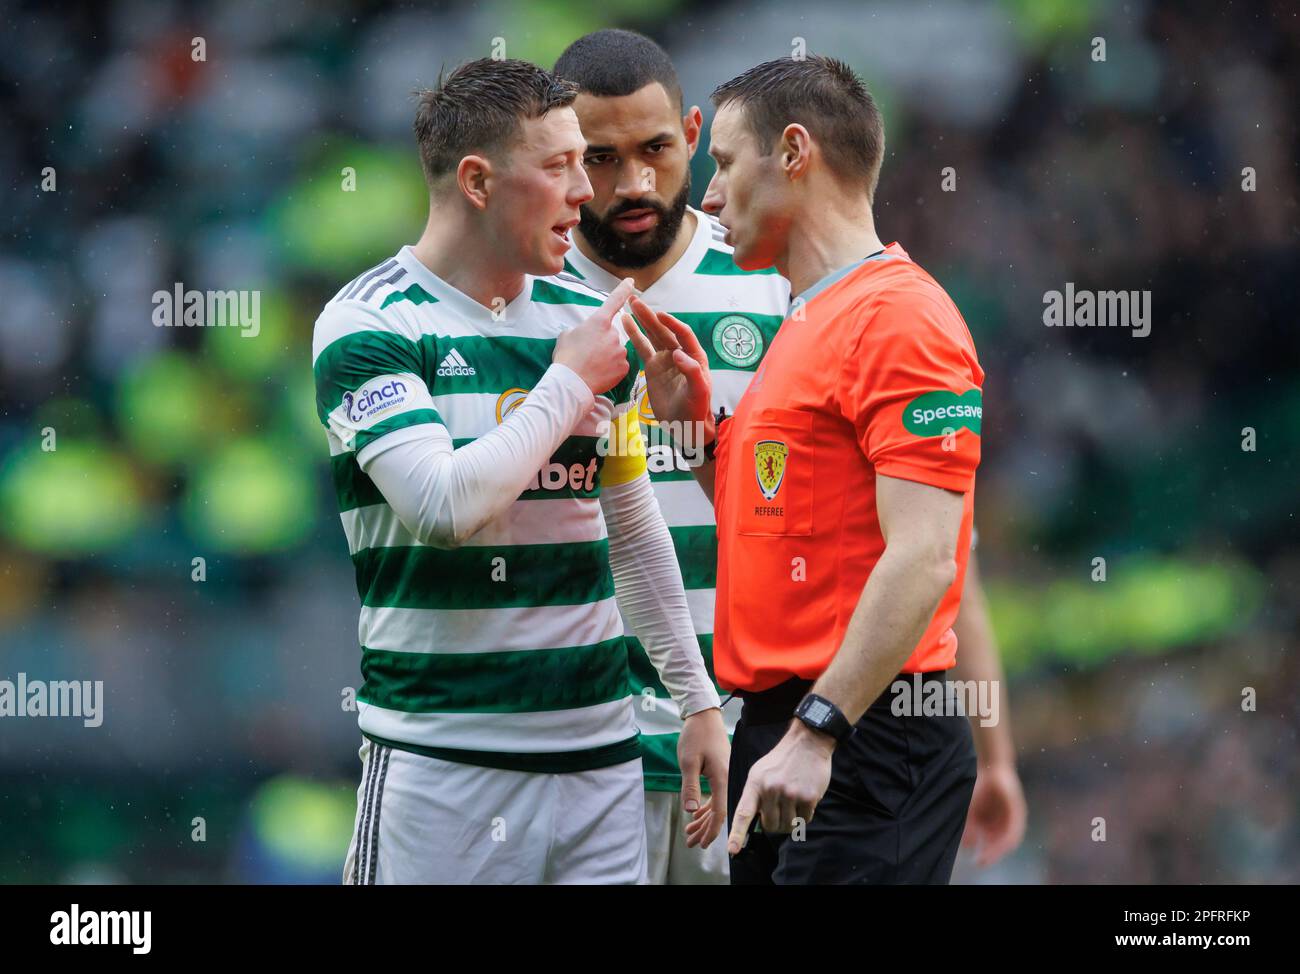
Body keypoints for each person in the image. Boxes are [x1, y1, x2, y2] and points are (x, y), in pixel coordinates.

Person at [311, 57, 728, 884]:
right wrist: (567, 381)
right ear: (477, 181)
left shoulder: (584, 315)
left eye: (586, 162)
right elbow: (441, 505)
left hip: (600, 763)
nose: (589, 192)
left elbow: (632, 529)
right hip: (442, 767)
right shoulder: (369, 323)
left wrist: (697, 698)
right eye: (560, 166)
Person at [625, 54, 984, 883]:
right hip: (786, 728)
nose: (705, 197)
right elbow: (775, 525)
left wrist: (819, 728)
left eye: (720, 162)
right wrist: (695, 435)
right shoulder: (805, 317)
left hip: (864, 733)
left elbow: (926, 556)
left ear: (793, 152)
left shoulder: (901, 318)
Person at [553, 28, 789, 884]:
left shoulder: (773, 279)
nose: (633, 185)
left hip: (742, 740)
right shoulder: (523, 296)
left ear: (693, 134)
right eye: (601, 159)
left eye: (655, 150)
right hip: (574, 748)